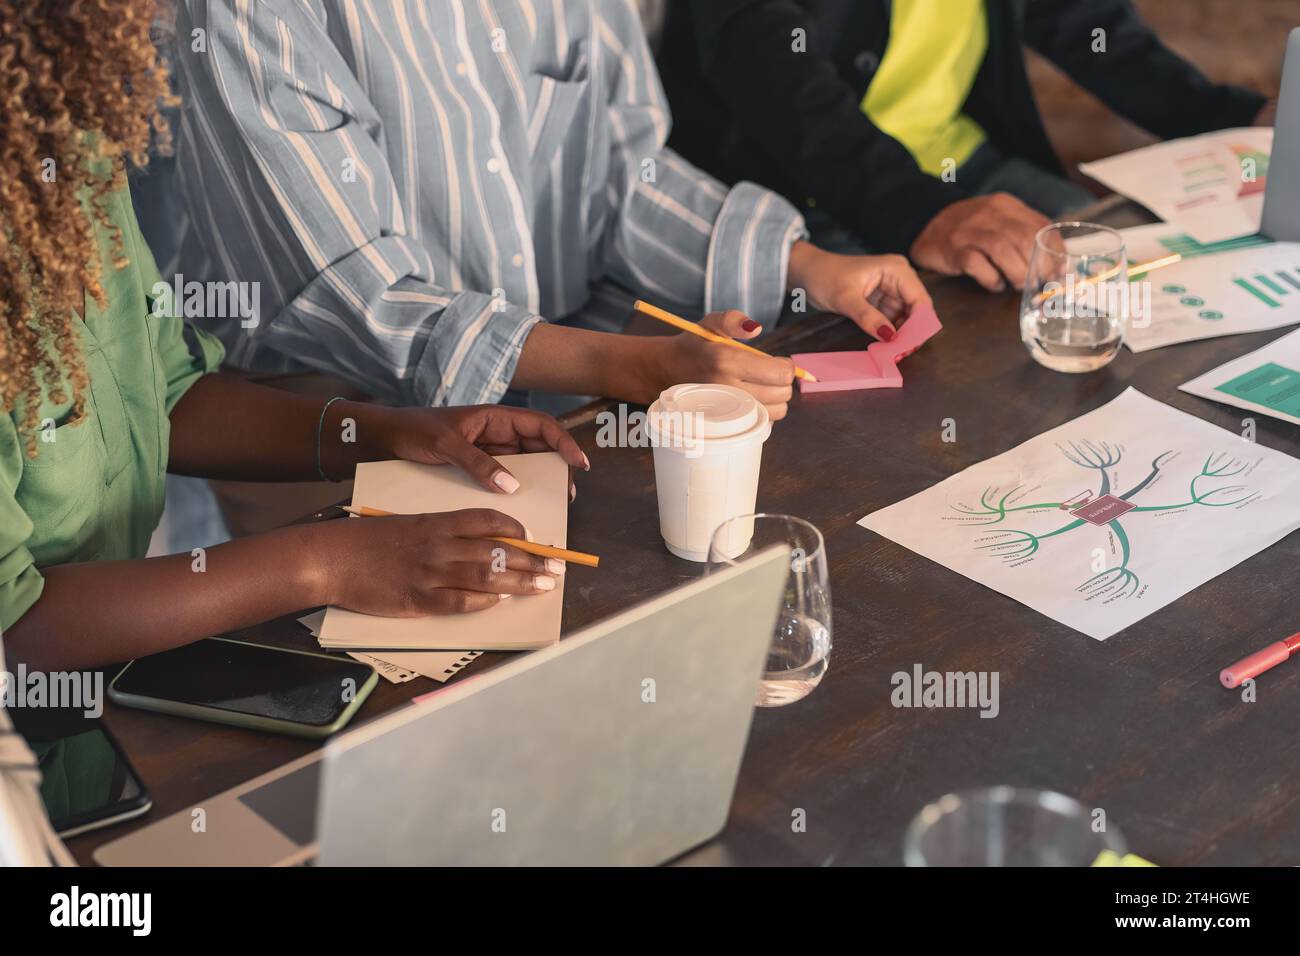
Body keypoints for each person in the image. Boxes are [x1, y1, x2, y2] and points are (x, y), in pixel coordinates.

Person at [0, 1, 593, 673]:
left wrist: (377, 434)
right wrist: (328, 563)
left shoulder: (63, 145)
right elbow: (18, 627)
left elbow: (163, 390)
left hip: (99, 726)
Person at [170, 0, 932, 434]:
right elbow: (350, 297)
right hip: (310, 427)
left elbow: (616, 172)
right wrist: (628, 364)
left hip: (562, 396)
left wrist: (803, 268)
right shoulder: (247, 11)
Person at [657, 0, 1274, 291]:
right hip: (804, 190)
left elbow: (1082, 21)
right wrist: (920, 213)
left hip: (960, 162)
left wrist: (1231, 117)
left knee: (1126, 290)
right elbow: (764, 66)